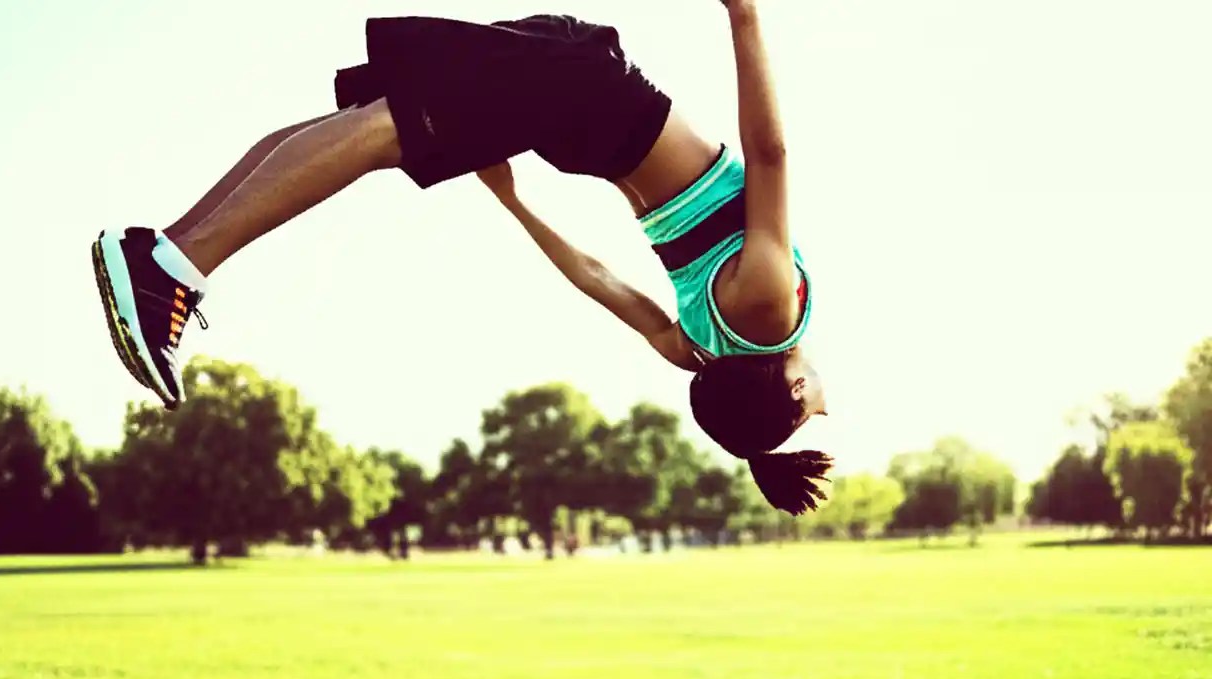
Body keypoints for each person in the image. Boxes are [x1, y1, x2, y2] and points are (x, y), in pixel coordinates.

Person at [89, 0, 834, 514]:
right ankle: (165, 255)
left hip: (590, 96)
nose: (826, 401)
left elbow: (770, 157)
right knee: (367, 129)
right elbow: (597, 278)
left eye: (810, 414)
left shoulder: (769, 308)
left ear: (790, 396)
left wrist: (745, 13)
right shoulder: (698, 352)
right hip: (586, 121)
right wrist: (517, 204)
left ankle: (168, 263)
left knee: (380, 131)